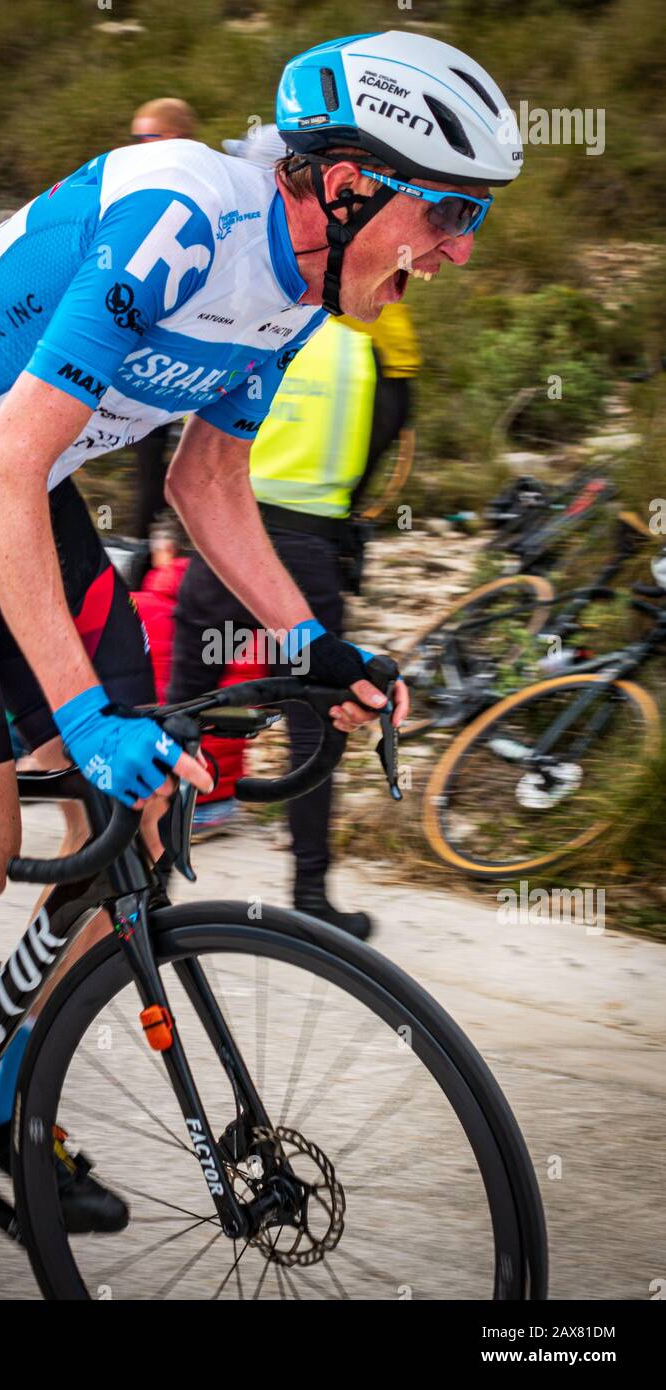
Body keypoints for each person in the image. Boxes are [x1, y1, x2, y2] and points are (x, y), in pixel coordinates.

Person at [0, 30, 521, 1229]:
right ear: (346, 178)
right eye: (450, 212)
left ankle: (4, 1101)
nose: (461, 250)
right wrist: (82, 713)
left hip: (8, 481)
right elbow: (3, 475)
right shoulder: (181, 225)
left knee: (144, 808)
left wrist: (312, 644)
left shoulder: (298, 301)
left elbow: (210, 485)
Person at [167, 130, 421, 933]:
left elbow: (173, 428)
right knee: (320, 717)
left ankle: (146, 877)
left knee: (182, 707)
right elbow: (392, 418)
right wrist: (356, 518)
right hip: (305, 538)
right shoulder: (362, 327)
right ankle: (311, 896)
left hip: (226, 532)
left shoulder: (252, 310)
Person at [127, 99, 200, 538]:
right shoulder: (146, 185)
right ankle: (147, 547)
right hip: (152, 345)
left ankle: (152, 550)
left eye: (145, 139)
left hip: (188, 351)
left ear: (174, 139)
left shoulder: (195, 191)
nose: (135, 148)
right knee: (147, 458)